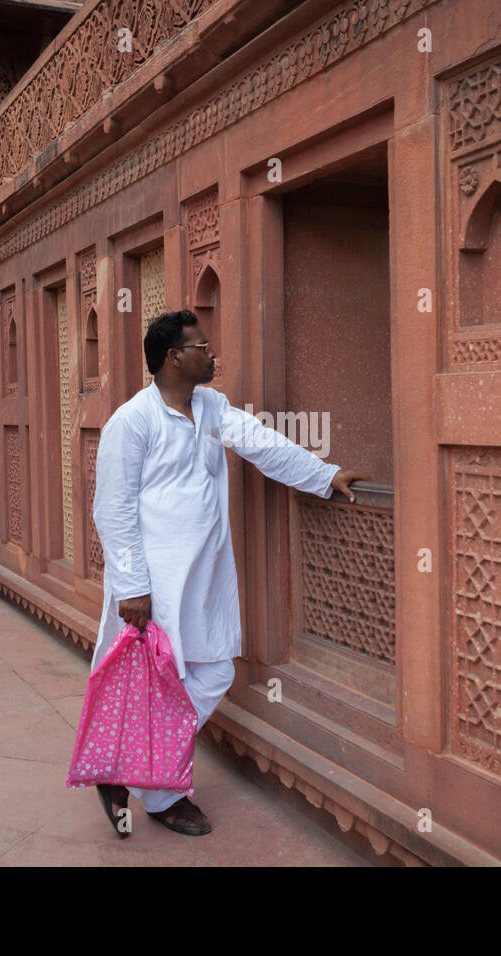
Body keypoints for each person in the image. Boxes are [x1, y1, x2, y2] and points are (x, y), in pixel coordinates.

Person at [89, 309, 366, 837]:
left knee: (214, 672)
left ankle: (130, 769)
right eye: (202, 346)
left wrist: (325, 476)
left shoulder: (211, 407)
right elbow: (114, 508)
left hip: (208, 577)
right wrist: (132, 587)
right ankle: (163, 795)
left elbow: (264, 444)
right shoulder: (133, 421)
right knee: (162, 683)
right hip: (155, 586)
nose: (211, 354)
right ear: (175, 358)